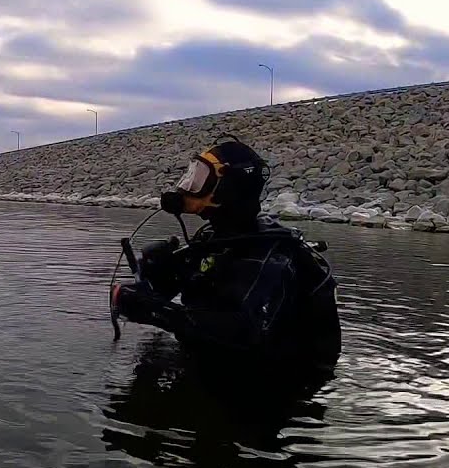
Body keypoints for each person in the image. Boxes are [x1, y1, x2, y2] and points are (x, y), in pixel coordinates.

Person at [110, 136, 341, 372]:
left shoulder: (272, 254)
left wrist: (158, 312)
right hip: (216, 365)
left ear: (230, 187)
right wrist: (154, 276)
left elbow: (243, 331)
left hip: (272, 385)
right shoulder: (213, 239)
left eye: (201, 178)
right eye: (194, 175)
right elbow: (177, 291)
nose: (188, 186)